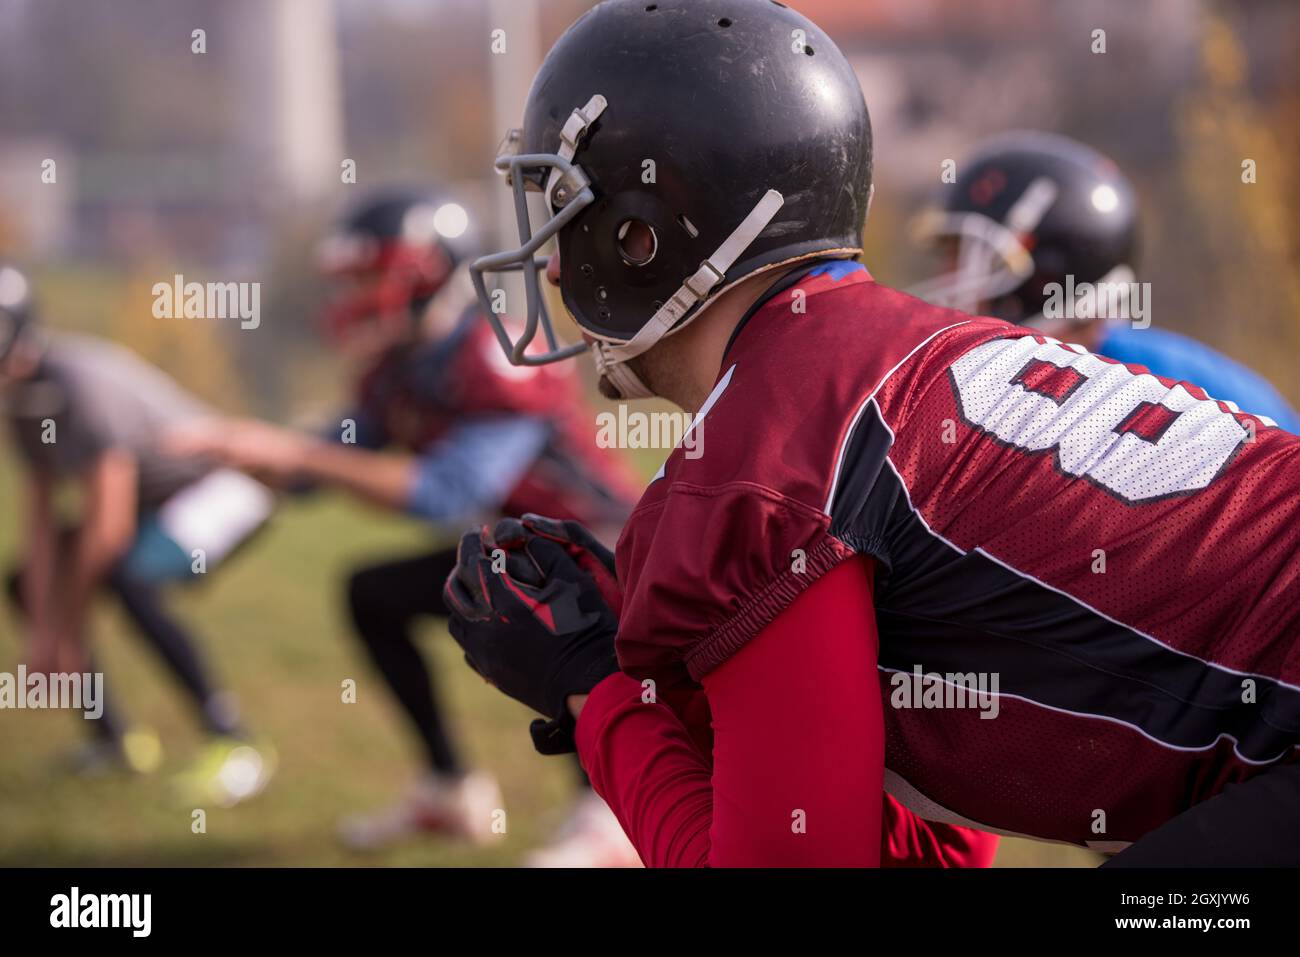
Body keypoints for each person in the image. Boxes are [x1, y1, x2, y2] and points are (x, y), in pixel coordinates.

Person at [444, 0, 1300, 867]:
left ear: (641, 233)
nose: (550, 261)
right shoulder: (907, 360)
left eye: (564, 208)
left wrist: (592, 687)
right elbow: (938, 853)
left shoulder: (767, 457)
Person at [169, 190, 647, 865]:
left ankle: (610, 817)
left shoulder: (493, 350)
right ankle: (449, 789)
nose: (358, 296)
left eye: (372, 277)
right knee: (373, 593)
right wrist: (240, 451)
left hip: (605, 549)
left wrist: (299, 454)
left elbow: (448, 492)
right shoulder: (397, 367)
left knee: (551, 614)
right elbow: (321, 464)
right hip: (520, 551)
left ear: (428, 272)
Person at [0, 262, 275, 805]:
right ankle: (115, 742)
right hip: (152, 500)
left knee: (129, 577)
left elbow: (109, 525)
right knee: (22, 582)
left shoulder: (78, 384)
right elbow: (40, 517)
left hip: (219, 486)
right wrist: (42, 635)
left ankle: (235, 742)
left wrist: (65, 631)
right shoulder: (18, 397)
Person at [908, 130, 1300, 432]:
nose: (948, 279)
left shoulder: (1199, 395)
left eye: (966, 257)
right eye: (949, 257)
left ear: (1046, 276)